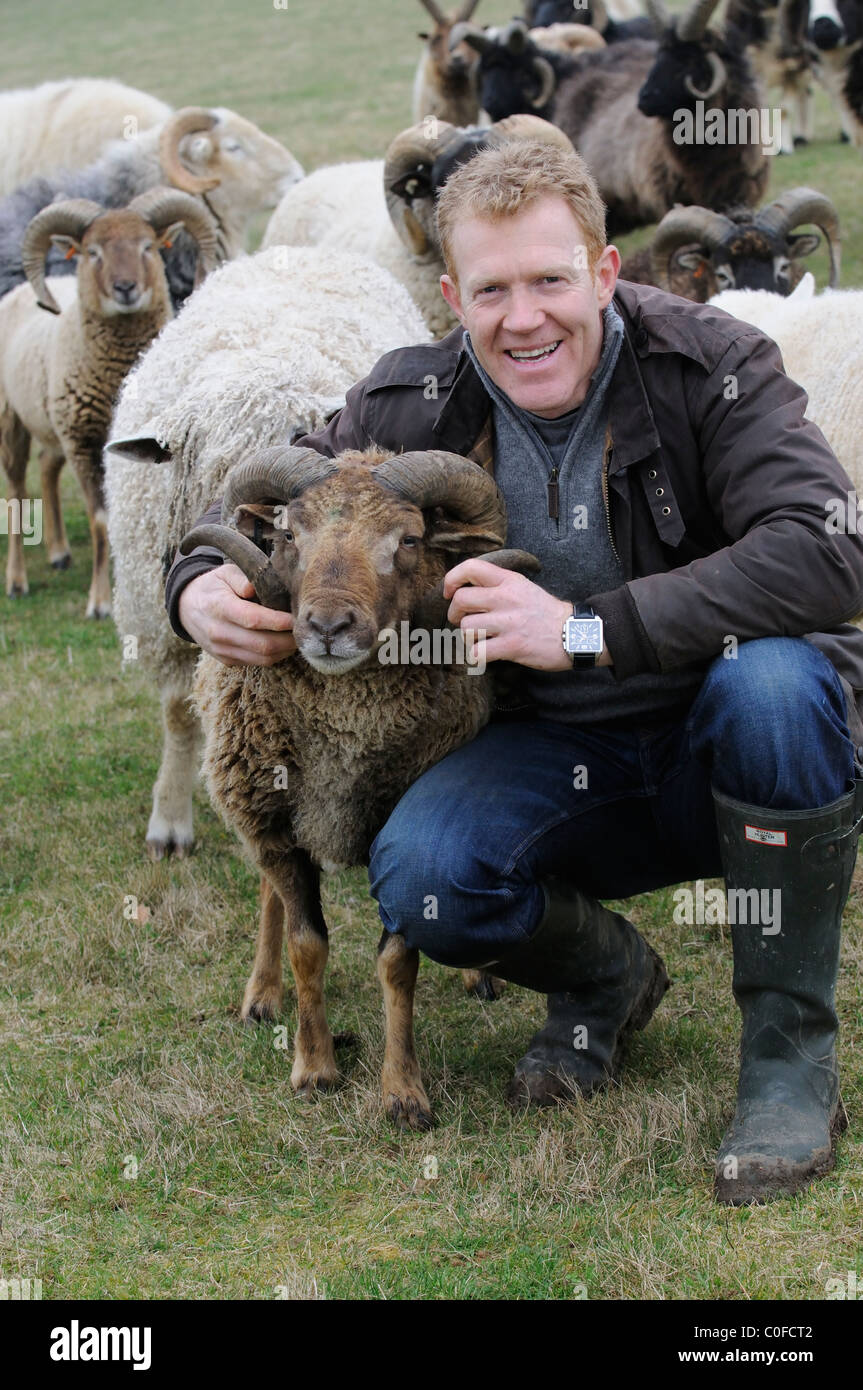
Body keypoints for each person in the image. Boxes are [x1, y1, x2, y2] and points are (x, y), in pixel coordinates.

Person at [165, 139, 863, 1205]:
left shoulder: (713, 367)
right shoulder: (409, 403)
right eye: (491, 289)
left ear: (603, 271)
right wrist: (200, 577)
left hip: (714, 736)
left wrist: (586, 628)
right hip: (543, 751)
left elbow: (826, 546)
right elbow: (264, 496)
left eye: (549, 279)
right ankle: (602, 976)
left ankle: (785, 1057)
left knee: (774, 683)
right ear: (451, 295)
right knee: (424, 871)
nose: (523, 316)